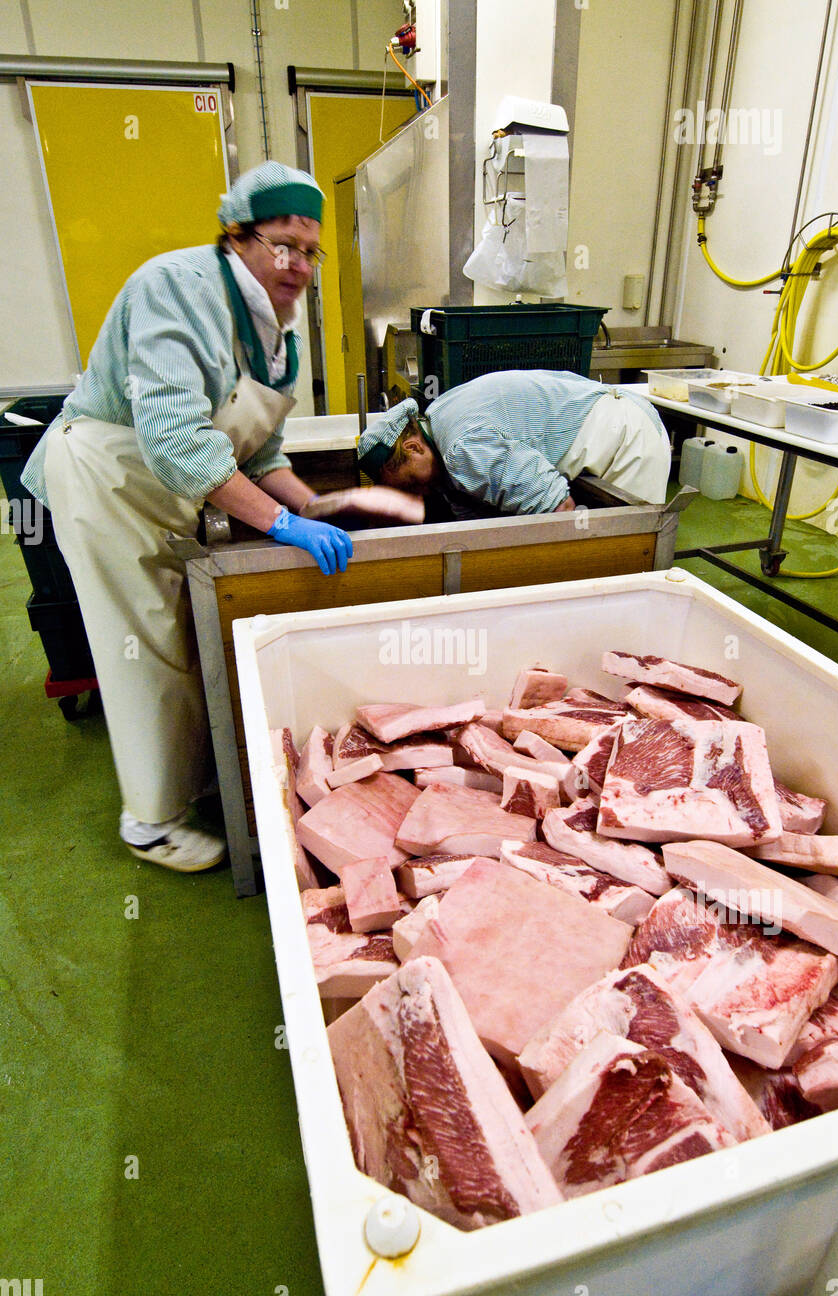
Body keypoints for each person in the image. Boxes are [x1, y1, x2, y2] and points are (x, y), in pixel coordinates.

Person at [22, 161, 353, 872]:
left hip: (168, 494)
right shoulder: (175, 286)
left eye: (311, 250)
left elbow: (262, 456)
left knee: (188, 636)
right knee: (145, 645)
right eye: (283, 243)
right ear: (238, 237)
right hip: (110, 479)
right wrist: (283, 526)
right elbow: (175, 440)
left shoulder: (280, 338)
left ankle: (199, 783)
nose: (298, 264)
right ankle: (151, 821)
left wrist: (318, 507)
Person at [358, 369, 671, 519]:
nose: (420, 494)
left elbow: (558, 507)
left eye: (411, 484)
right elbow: (475, 510)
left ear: (413, 448)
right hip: (598, 419)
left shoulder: (462, 448)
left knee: (629, 557)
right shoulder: (438, 417)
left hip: (626, 438)